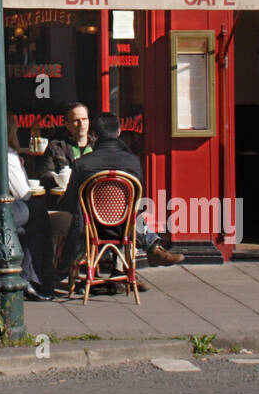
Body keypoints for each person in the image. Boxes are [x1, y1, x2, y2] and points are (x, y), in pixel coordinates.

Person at [53, 110, 183, 289]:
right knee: (134, 216)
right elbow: (139, 198)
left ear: (94, 135)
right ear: (119, 132)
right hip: (124, 225)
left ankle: (59, 270)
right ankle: (145, 254)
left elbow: (70, 200)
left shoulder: (83, 164)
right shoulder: (133, 162)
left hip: (90, 228)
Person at [0, 113, 57, 301]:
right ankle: (32, 278)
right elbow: (24, 193)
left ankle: (23, 274)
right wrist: (20, 167)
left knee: (28, 225)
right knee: (38, 213)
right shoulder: (7, 154)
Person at [36, 102, 97, 190]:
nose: (81, 124)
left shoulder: (98, 145)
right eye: (76, 120)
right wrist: (59, 179)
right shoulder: (56, 146)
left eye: (84, 119)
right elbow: (44, 175)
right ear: (67, 124)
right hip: (65, 199)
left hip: (91, 198)